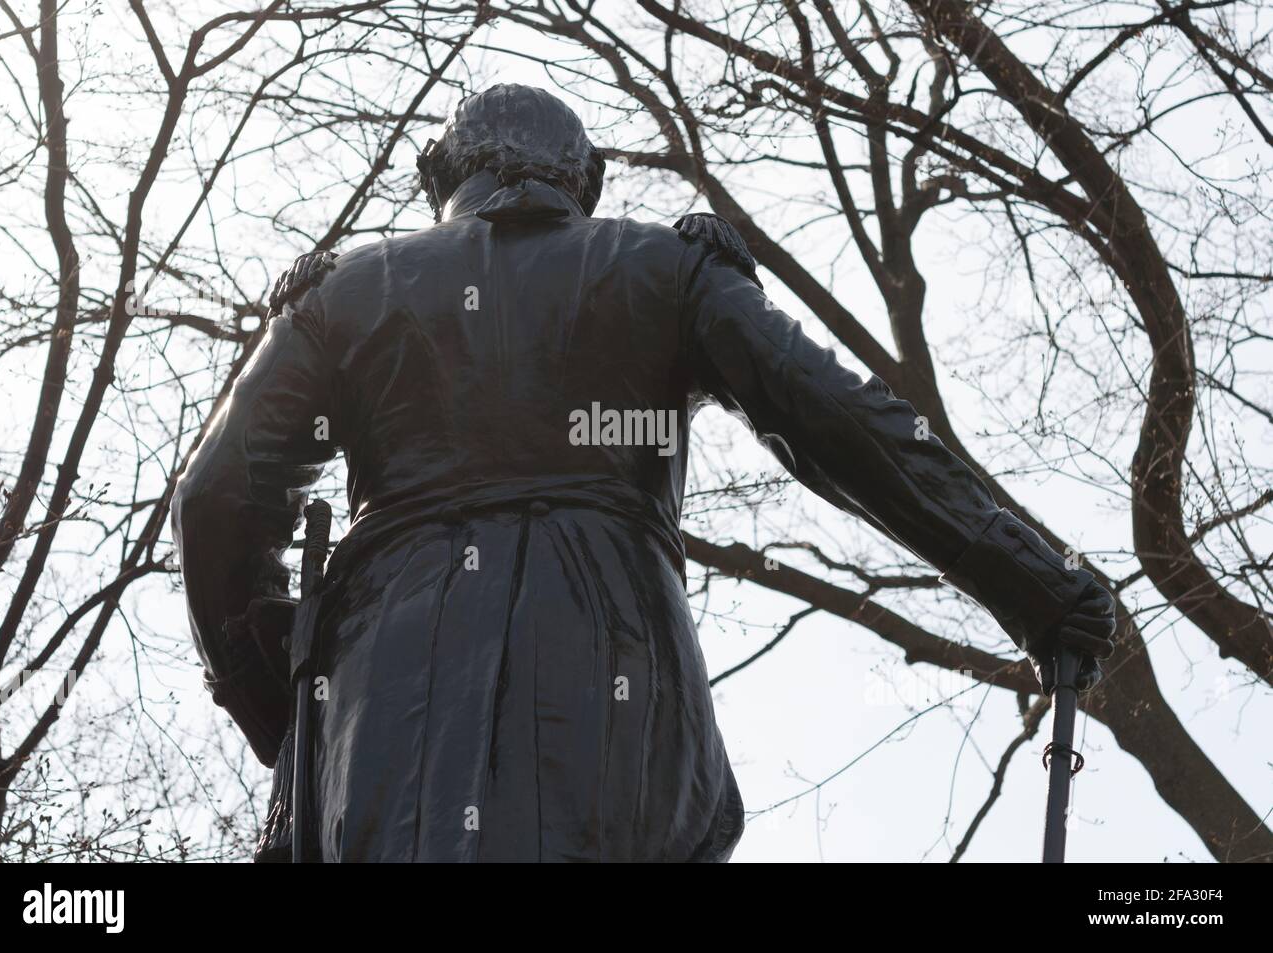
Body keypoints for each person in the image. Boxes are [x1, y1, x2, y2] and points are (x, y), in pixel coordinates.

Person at [171, 84, 1115, 862]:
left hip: (385, 722)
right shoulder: (661, 268)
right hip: (610, 683)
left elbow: (215, 497)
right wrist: (1029, 581)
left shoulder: (346, 293)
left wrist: (292, 713)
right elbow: (835, 420)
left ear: (436, 178)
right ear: (588, 179)